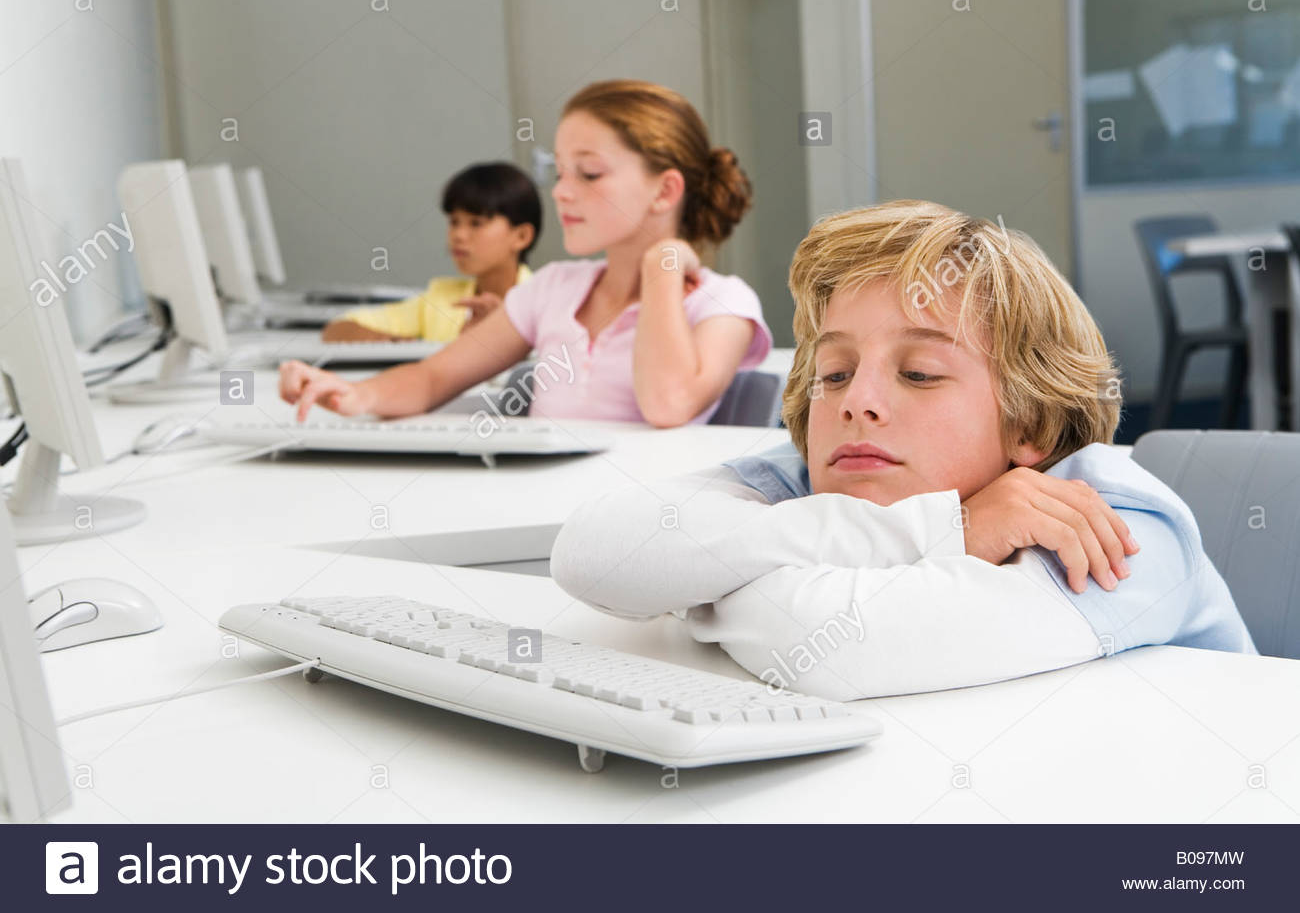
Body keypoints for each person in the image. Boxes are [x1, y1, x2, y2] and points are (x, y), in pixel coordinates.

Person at [550, 200, 1257, 700]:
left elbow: (835, 646)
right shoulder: (824, 477)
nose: (856, 400)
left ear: (1030, 425)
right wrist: (949, 531)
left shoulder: (1114, 523)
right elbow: (591, 552)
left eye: (919, 373)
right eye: (834, 373)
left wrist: (702, 580)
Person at [280, 79, 772, 426]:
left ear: (665, 192)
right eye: (560, 172)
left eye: (589, 173)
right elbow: (434, 379)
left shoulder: (724, 303)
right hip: (539, 516)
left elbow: (668, 405)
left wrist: (662, 266)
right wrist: (352, 394)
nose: (560, 192)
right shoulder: (554, 288)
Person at [322, 162, 541, 342]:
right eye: (454, 222)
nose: (458, 235)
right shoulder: (441, 297)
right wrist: (393, 343)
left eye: (476, 223)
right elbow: (338, 327)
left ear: (521, 236)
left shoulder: (545, 301)